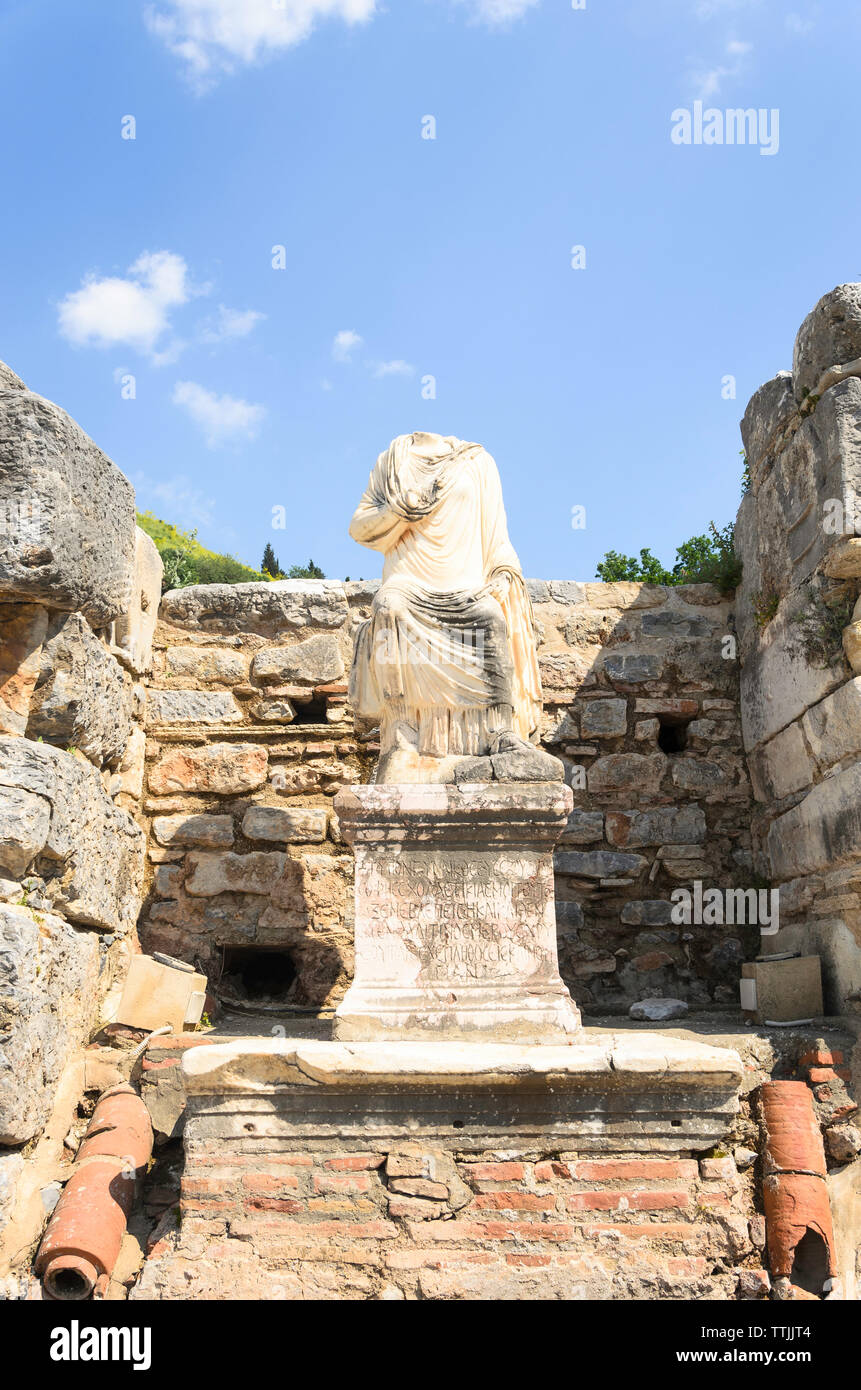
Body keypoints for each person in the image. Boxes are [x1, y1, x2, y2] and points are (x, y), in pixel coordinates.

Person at [348, 431, 543, 782]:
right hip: (408, 584)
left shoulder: (476, 461)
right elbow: (360, 529)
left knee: (492, 617)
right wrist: (397, 511)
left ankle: (499, 731)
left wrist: (502, 574)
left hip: (466, 588)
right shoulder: (392, 461)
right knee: (388, 607)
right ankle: (404, 733)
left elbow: (498, 535)